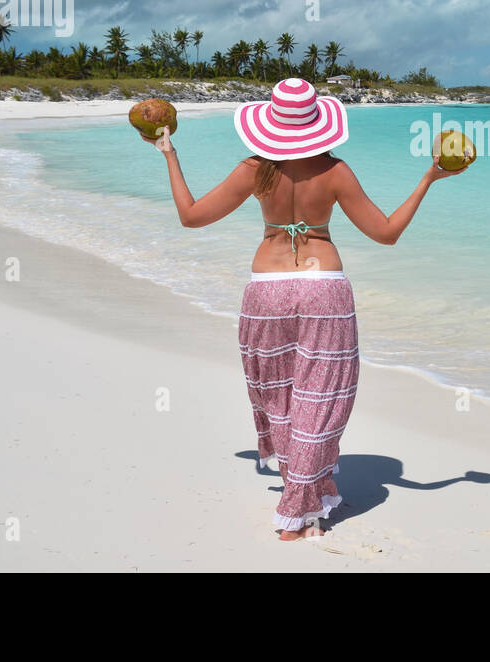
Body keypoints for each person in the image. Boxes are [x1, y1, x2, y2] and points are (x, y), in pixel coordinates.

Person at [141, 78, 466, 539]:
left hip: (267, 290)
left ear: (271, 124)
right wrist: (429, 178)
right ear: (317, 124)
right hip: (324, 289)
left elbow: (190, 216)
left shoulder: (256, 169)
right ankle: (300, 503)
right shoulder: (335, 171)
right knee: (321, 395)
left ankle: (304, 494)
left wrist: (169, 154)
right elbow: (387, 232)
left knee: (278, 393)